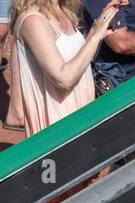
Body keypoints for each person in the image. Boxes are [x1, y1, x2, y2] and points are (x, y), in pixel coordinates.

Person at [10, 0, 124, 136]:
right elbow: (63, 79)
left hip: (83, 116)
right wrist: (96, 37)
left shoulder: (62, 11)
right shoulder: (32, 20)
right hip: (60, 128)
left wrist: (99, 25)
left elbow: (80, 62)